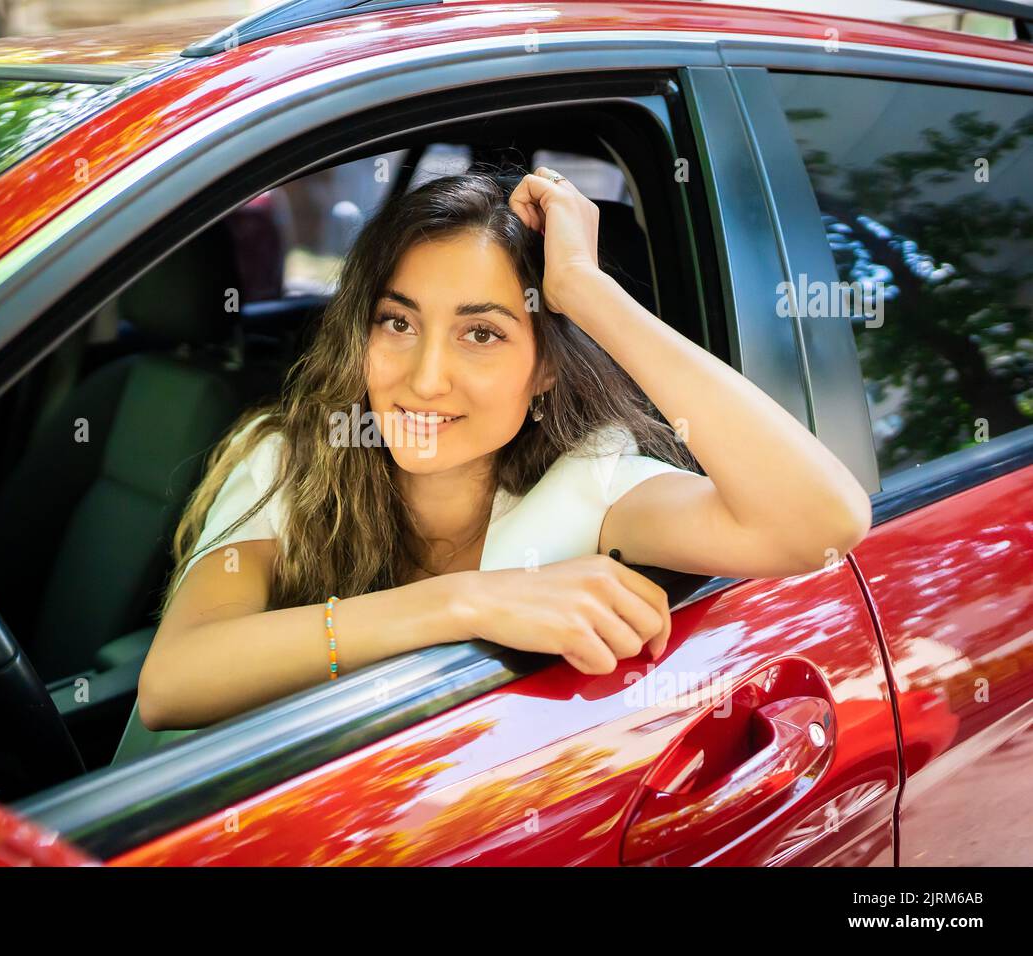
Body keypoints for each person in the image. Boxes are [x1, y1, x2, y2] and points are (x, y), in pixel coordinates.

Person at [135, 166, 871, 731]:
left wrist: (585, 290)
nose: (424, 379)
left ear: (545, 363)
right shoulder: (290, 458)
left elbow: (820, 523)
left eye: (481, 333)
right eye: (397, 323)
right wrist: (464, 603)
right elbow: (173, 684)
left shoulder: (593, 483)